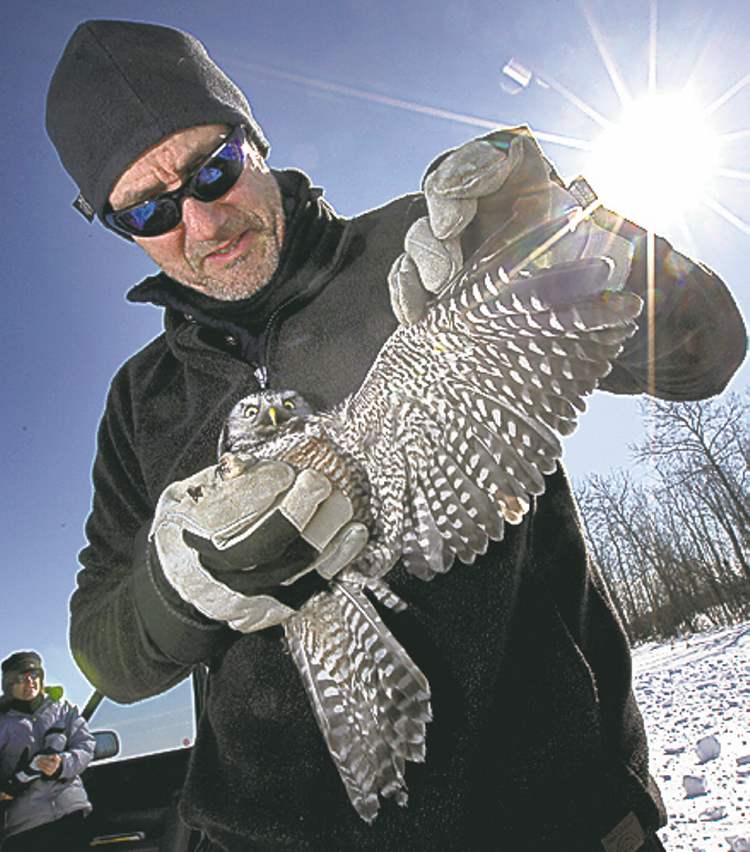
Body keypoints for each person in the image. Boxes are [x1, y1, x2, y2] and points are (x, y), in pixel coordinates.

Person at [44, 19, 746, 852]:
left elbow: (704, 353)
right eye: (150, 211)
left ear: (252, 138)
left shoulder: (425, 244)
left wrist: (569, 228)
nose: (201, 223)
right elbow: (102, 651)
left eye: (214, 171)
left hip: (550, 819)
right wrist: (178, 586)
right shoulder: (140, 402)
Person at [0, 651, 95, 852]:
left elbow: (86, 745)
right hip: (25, 826)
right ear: (9, 685)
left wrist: (62, 764)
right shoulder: (3, 724)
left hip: (71, 812)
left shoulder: (63, 710)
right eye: (21, 678)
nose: (30, 682)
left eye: (34, 675)